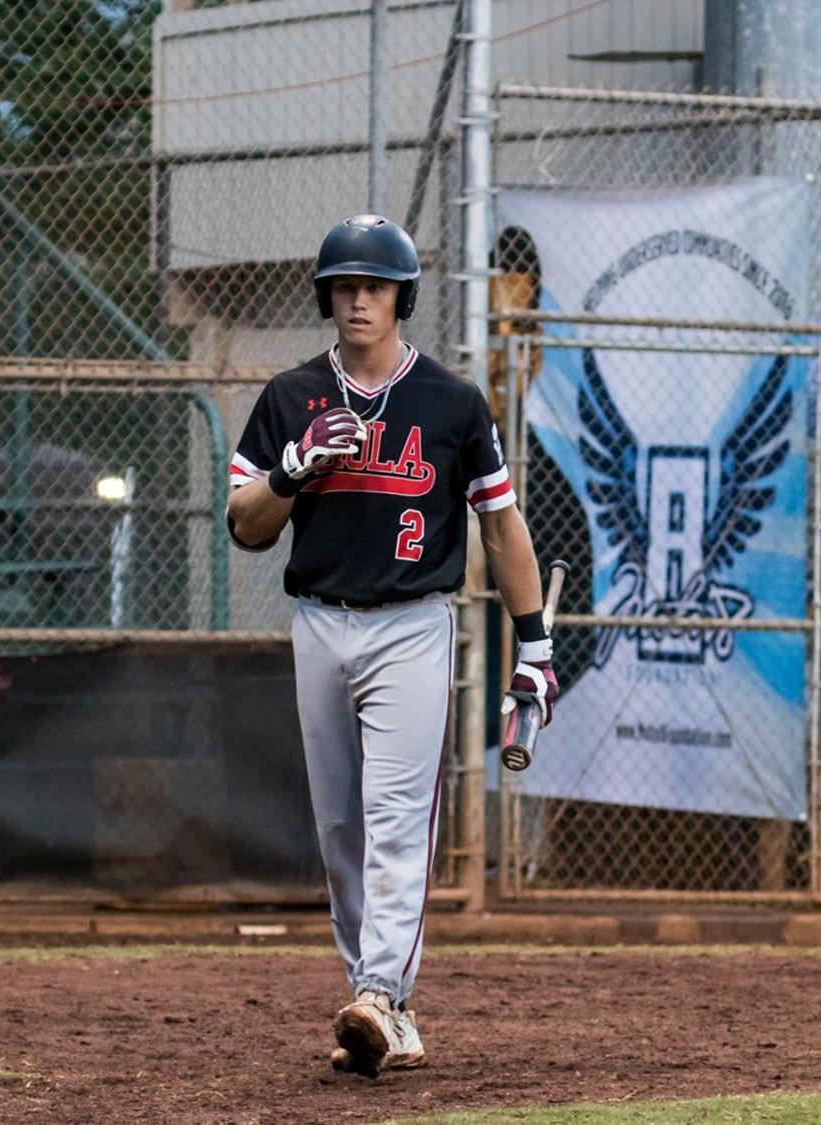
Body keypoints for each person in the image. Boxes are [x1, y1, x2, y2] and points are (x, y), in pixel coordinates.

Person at [224, 215, 555, 1079]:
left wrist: (536, 642)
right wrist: (293, 469)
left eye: (374, 285)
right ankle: (387, 1010)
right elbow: (243, 526)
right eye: (345, 284)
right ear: (327, 295)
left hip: (413, 623)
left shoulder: (449, 401)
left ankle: (377, 993)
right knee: (339, 828)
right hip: (320, 621)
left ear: (402, 296)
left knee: (397, 819)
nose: (358, 298)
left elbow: (501, 522)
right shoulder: (292, 395)